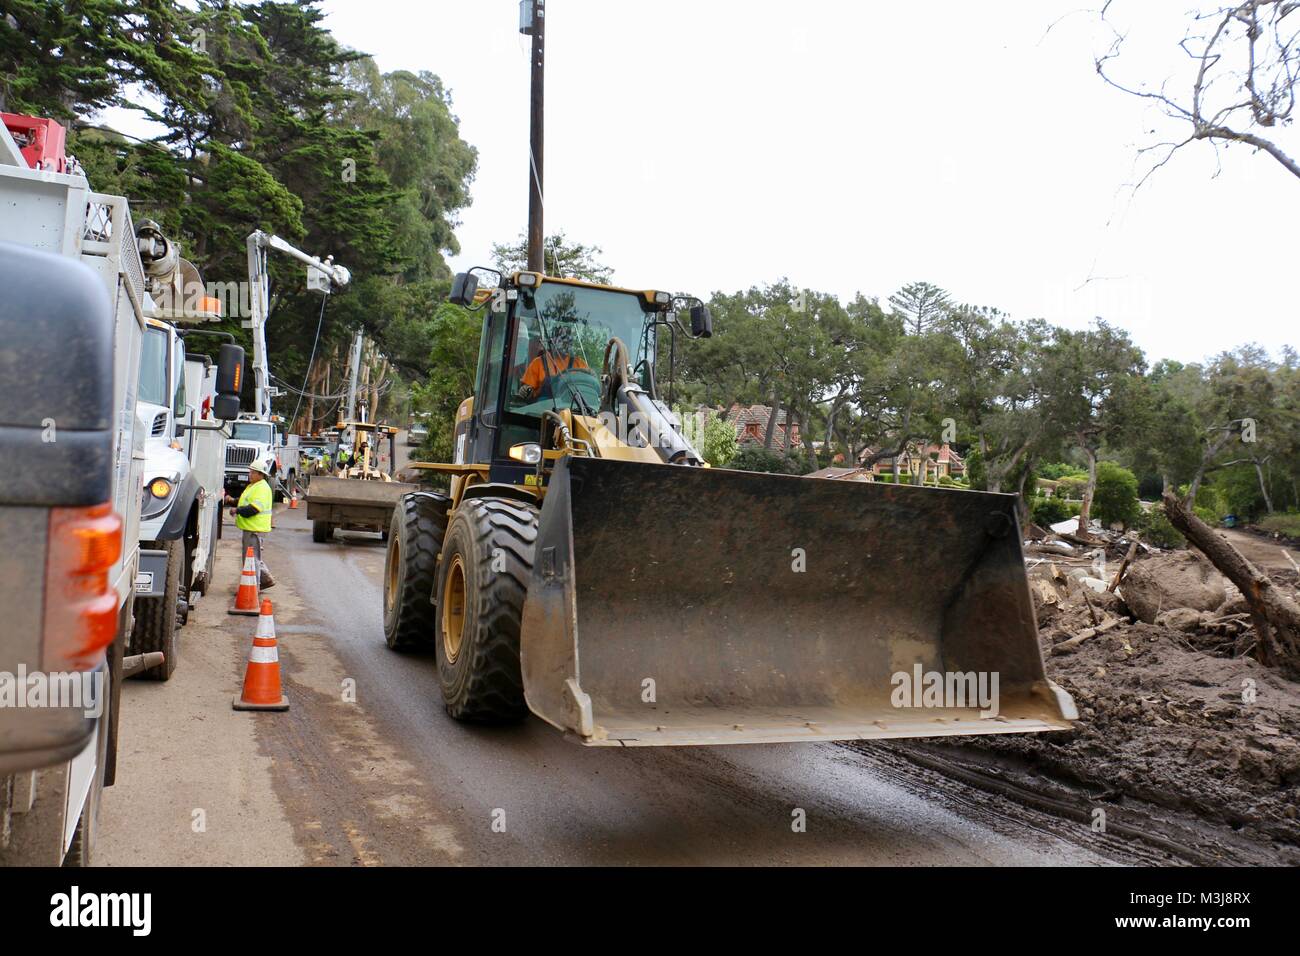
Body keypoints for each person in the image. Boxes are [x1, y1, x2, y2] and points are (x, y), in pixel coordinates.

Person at [225, 452, 275, 589]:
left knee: (252, 560)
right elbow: (244, 502)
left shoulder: (262, 488)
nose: (250, 475)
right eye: (250, 472)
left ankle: (253, 588)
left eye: (253, 473)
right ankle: (264, 581)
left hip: (255, 529)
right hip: (251, 528)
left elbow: (253, 509)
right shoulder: (253, 486)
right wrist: (232, 501)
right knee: (253, 558)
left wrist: (237, 510)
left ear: (260, 474)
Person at [516, 333, 590, 402]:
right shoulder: (538, 363)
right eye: (561, 341)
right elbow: (526, 391)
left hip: (572, 410)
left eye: (566, 343)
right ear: (552, 342)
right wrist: (525, 390)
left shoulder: (580, 364)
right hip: (542, 411)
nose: (564, 345)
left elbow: (589, 388)